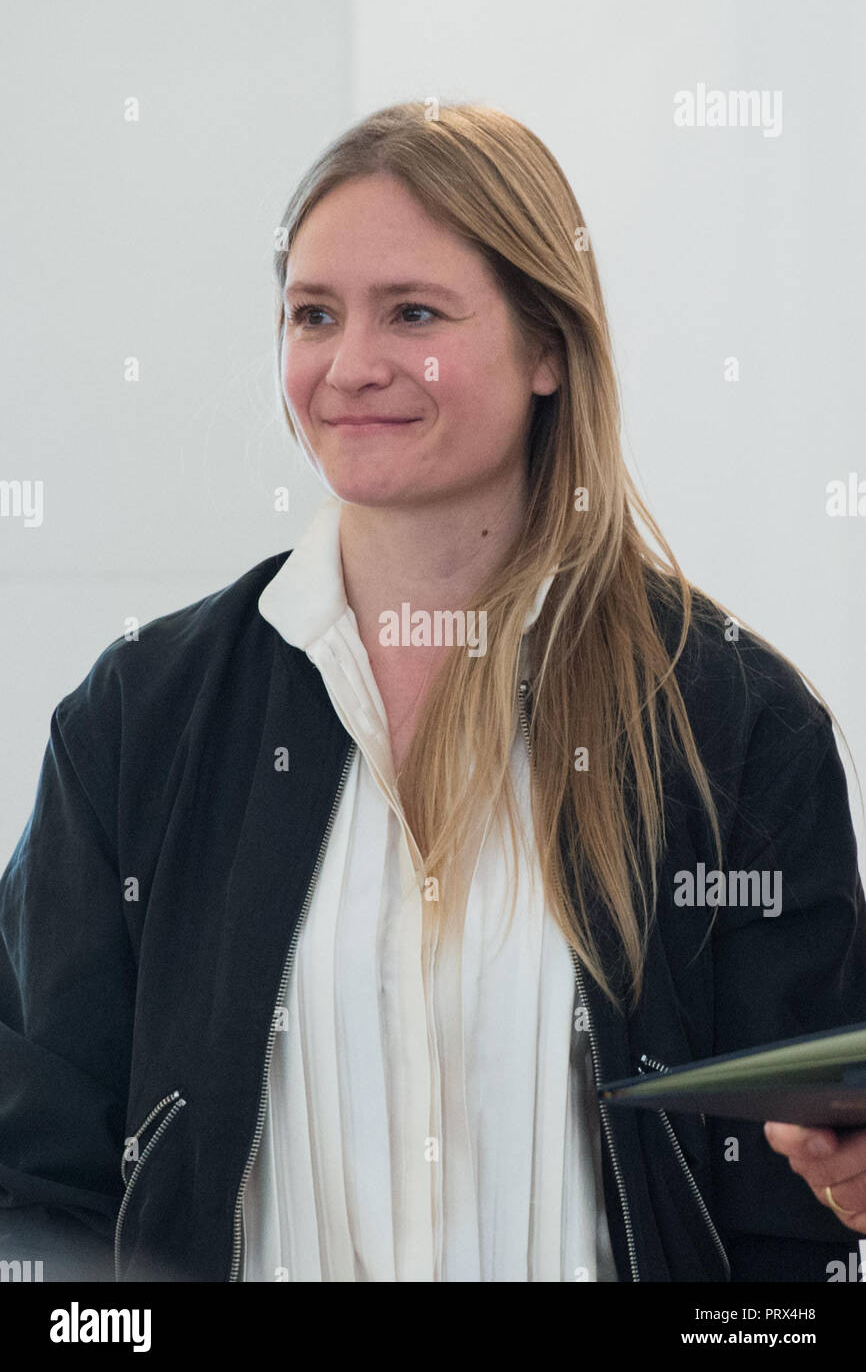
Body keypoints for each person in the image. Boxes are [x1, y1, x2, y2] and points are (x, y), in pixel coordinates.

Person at [1, 100, 865, 1284]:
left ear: (546, 347)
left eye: (412, 312)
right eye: (313, 315)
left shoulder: (731, 723)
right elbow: (34, 1174)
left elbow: (797, 1219)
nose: (350, 366)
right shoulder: (136, 721)